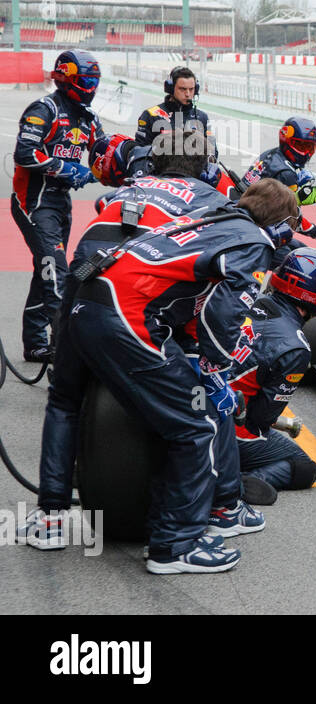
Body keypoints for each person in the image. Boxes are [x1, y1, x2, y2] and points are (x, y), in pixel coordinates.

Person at [62, 179, 299, 573]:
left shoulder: (209, 218)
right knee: (196, 423)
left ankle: (218, 509)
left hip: (95, 307)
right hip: (126, 318)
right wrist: (216, 368)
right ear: (280, 225)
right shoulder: (254, 242)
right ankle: (173, 546)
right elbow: (220, 315)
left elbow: (188, 297)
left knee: (199, 404)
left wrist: (201, 365)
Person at [19, 131, 239, 551]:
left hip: (82, 277)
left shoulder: (131, 185)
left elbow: (105, 207)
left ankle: (49, 517)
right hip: (132, 294)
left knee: (63, 399)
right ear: (207, 167)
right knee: (189, 410)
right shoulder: (210, 197)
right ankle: (198, 519)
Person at [11, 49, 104, 362]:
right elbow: (24, 153)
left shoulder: (88, 116)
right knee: (57, 274)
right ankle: (66, 355)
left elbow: (105, 151)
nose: (91, 87)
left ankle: (35, 344)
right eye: (85, 80)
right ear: (67, 78)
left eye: (95, 80)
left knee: (46, 272)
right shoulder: (44, 108)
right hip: (34, 202)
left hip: (59, 203)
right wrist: (66, 168)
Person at [230, 249, 316, 505]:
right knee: (303, 467)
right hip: (224, 426)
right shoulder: (295, 348)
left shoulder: (241, 298)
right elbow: (259, 419)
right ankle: (234, 484)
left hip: (188, 400)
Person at [241, 116, 316, 259]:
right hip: (257, 232)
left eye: (309, 147)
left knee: (303, 250)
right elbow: (293, 219)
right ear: (286, 140)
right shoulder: (286, 173)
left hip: (248, 217)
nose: (306, 153)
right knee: (302, 262)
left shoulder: (270, 154)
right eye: (301, 146)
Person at [136, 65, 217, 160]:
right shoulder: (151, 115)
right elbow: (140, 151)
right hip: (161, 172)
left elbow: (213, 153)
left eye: (191, 89)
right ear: (170, 88)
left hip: (194, 173)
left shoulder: (202, 117)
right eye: (182, 89)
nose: (187, 94)